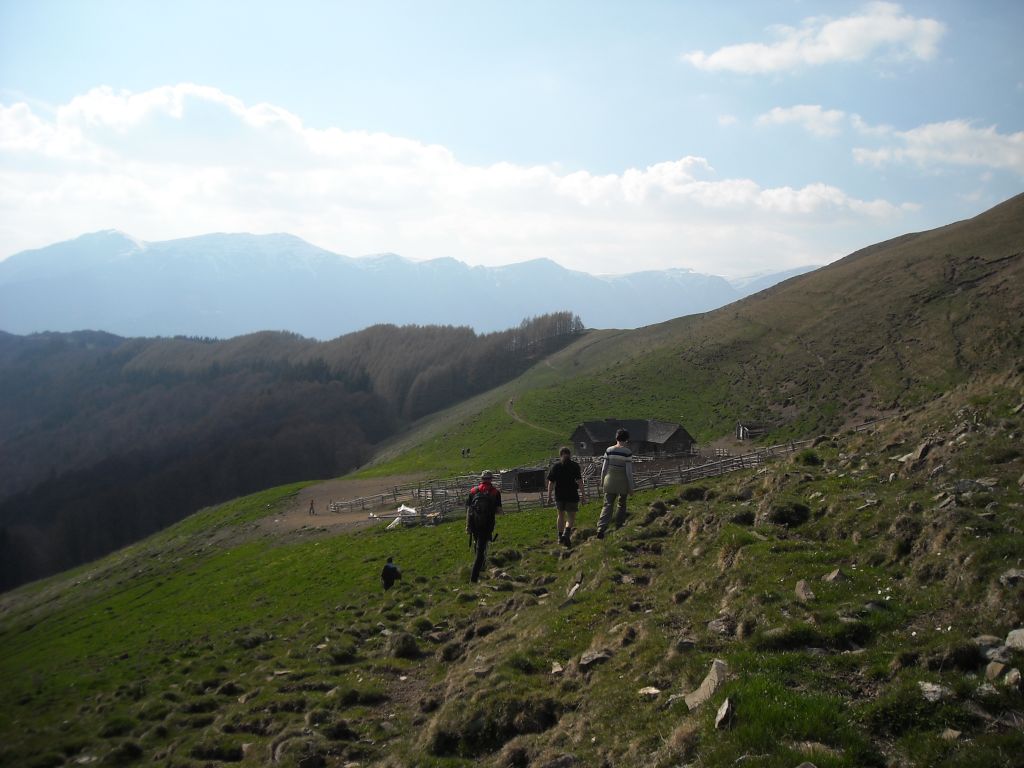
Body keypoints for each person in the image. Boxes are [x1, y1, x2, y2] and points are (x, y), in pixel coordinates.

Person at [465, 470, 502, 583]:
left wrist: (467, 526)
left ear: (481, 479)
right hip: (487, 525)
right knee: (481, 550)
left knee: (478, 545)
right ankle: (474, 578)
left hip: (474, 524)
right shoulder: (495, 492)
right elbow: (499, 510)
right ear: (491, 479)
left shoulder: (473, 491)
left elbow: (468, 510)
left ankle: (481, 567)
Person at [597, 428, 634, 538]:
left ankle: (601, 528)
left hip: (609, 480)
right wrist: (631, 487)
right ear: (626, 439)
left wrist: (602, 481)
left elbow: (604, 468)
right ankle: (619, 525)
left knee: (607, 504)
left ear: (616, 437)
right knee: (621, 504)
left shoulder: (609, 450)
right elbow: (629, 472)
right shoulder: (627, 452)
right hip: (622, 481)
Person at [547, 447, 585, 547]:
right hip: (572, 495)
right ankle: (566, 533)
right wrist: (583, 495)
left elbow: (551, 482)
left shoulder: (556, 466)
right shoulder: (575, 466)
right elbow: (580, 482)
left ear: (560, 455)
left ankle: (560, 537)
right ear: (570, 454)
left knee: (560, 515)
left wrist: (549, 496)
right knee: (571, 516)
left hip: (559, 495)